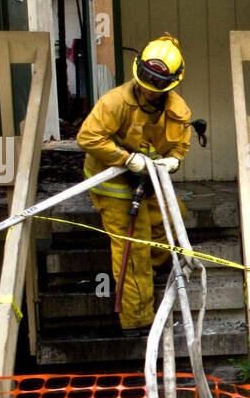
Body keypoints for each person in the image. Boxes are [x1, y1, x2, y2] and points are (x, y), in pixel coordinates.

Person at [76, 34, 192, 335]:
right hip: (113, 185)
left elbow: (179, 146)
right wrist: (126, 160)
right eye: (144, 80)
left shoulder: (177, 111)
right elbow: (87, 137)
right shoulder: (116, 102)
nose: (146, 89)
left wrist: (173, 162)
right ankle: (137, 318)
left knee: (174, 217)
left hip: (148, 182)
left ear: (171, 85)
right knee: (134, 248)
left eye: (155, 86)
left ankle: (146, 274)